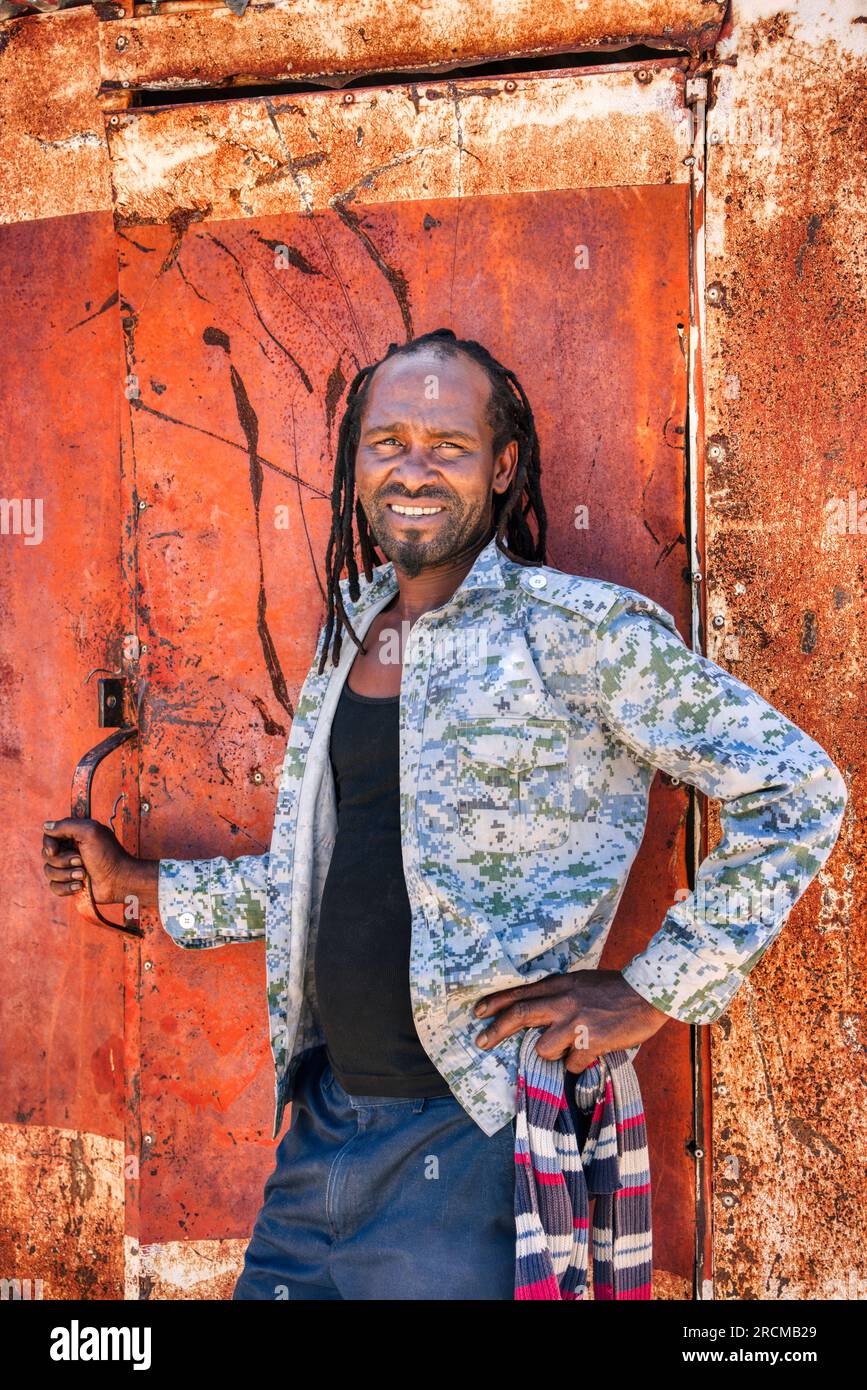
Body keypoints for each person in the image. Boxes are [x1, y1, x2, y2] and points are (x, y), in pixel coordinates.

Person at [41, 328, 847, 1300]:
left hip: (469, 1148)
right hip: (318, 1138)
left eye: (448, 445)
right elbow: (326, 867)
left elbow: (797, 785)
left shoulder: (578, 634)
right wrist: (140, 882)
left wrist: (654, 991)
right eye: (388, 442)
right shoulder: (352, 630)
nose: (411, 469)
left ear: (503, 467)